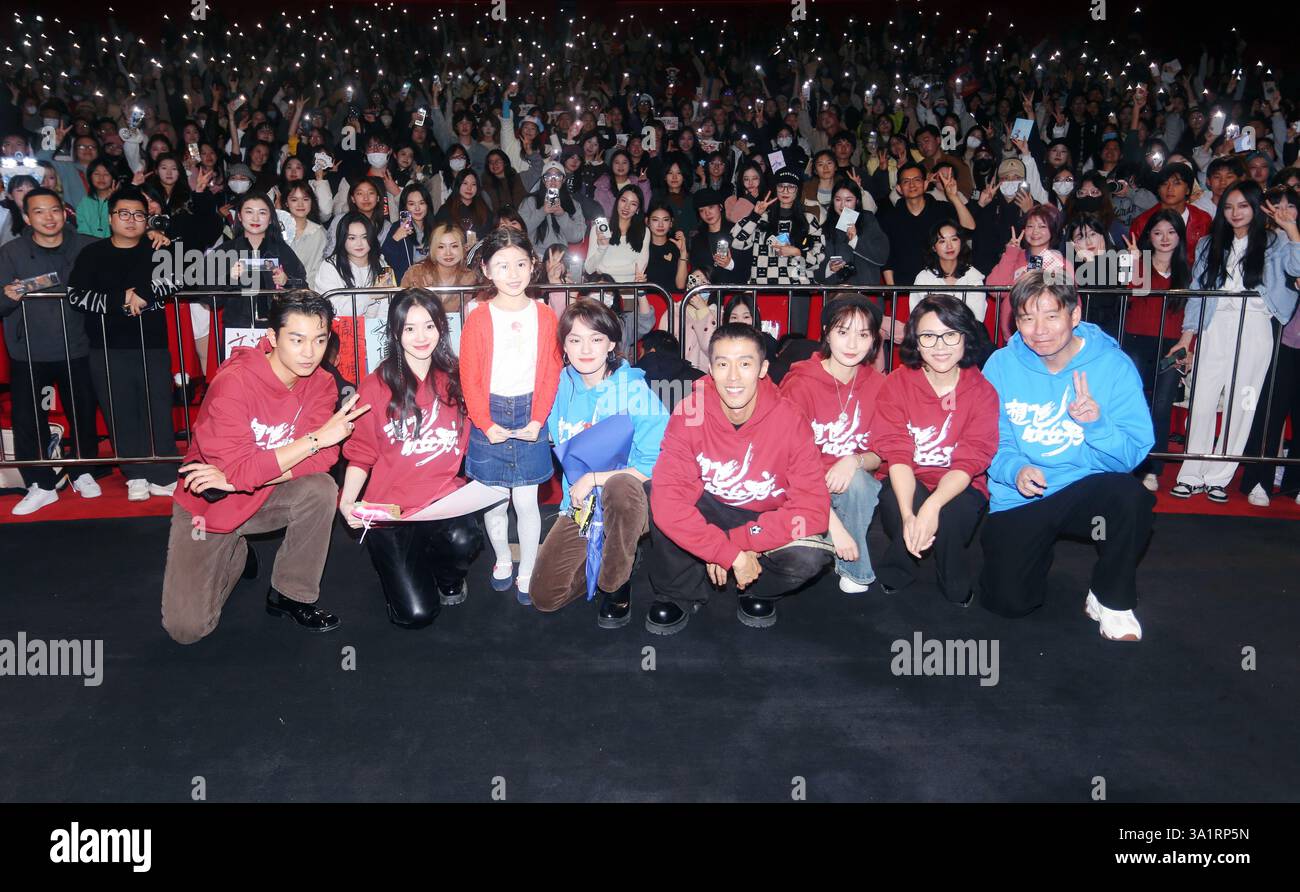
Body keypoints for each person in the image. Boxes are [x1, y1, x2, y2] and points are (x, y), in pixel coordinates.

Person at [160, 291, 371, 644]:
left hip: (263, 494)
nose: (309, 352)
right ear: (272, 338)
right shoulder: (234, 383)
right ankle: (238, 553)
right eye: (297, 339)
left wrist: (242, 478)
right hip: (209, 507)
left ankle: (291, 594)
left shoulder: (320, 383)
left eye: (319, 340)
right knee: (187, 630)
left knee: (320, 488)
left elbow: (324, 461)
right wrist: (316, 438)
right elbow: (312, 449)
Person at [979, 273, 1155, 641]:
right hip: (1022, 494)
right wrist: (1014, 469)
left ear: (1074, 315)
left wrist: (1098, 424)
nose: (1039, 329)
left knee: (1131, 497)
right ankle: (1035, 550)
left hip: (1083, 487)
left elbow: (1131, 457)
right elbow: (988, 438)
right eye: (1027, 318)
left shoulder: (1113, 365)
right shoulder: (1000, 365)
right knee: (1008, 603)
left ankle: (1112, 598)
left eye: (1051, 316)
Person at [644, 321, 832, 634]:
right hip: (710, 505)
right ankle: (678, 591)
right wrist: (727, 553)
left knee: (810, 555)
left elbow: (812, 508)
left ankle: (758, 588)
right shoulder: (690, 412)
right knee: (660, 495)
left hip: (763, 515)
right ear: (710, 368)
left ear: (763, 368)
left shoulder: (789, 417)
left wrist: (735, 546)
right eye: (722, 364)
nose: (733, 377)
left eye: (745, 364)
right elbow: (667, 501)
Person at [338, 290, 485, 627]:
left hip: (441, 503)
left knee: (465, 538)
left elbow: (483, 433)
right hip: (392, 512)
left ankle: (447, 578)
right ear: (395, 332)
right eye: (409, 328)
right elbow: (361, 452)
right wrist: (347, 501)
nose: (421, 337)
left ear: (442, 329)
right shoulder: (375, 386)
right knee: (416, 615)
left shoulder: (459, 381)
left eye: (429, 326)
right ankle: (400, 562)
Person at [531, 300, 669, 625]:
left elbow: (659, 461)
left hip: (635, 502)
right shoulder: (559, 386)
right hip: (581, 507)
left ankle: (616, 583)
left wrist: (595, 478)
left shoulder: (634, 391)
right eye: (575, 340)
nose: (585, 349)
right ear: (564, 346)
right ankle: (615, 554)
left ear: (611, 343)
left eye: (595, 339)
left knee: (620, 487)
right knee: (545, 596)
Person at [1168, 182, 1300, 502]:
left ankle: (1219, 475)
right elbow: (1198, 293)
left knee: (1242, 404)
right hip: (1215, 327)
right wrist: (1187, 336)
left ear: (1256, 208)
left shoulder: (1275, 242)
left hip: (1256, 328)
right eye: (1228, 207)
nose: (1235, 213)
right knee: (1202, 400)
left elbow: (1297, 268)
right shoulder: (1210, 244)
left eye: (1242, 206)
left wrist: (1291, 228)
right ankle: (1191, 472)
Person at [872, 295, 998, 604]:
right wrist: (909, 515)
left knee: (952, 515)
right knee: (903, 506)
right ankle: (897, 567)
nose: (939, 346)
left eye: (950, 334)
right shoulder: (897, 384)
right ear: (916, 341)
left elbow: (970, 462)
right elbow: (897, 454)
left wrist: (932, 506)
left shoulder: (982, 390)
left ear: (965, 336)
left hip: (959, 480)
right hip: (908, 476)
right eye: (928, 336)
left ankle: (951, 572)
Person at [459, 227, 562, 603]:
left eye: (520, 263)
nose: (513, 273)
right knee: (495, 500)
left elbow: (551, 371)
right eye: (502, 265)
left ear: (533, 265)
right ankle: (503, 558)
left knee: (527, 501)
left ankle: (529, 568)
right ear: (487, 270)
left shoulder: (546, 314)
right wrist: (485, 423)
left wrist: (537, 420)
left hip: (530, 409)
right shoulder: (477, 315)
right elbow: (468, 375)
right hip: (490, 412)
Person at [65, 186, 181, 502]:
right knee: (121, 413)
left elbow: (175, 280)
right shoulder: (92, 253)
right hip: (106, 346)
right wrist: (120, 301)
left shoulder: (159, 249)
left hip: (153, 345)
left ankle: (164, 474)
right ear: (111, 216)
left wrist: (144, 293)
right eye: (124, 213)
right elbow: (76, 295)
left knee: (158, 408)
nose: (131, 220)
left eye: (139, 214)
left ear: (148, 220)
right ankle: (136, 475)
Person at [0, 187, 102, 515]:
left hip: (77, 346)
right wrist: (8, 296)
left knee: (82, 413)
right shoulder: (11, 252)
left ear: (64, 212)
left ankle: (83, 471)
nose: (48, 217)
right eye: (40, 212)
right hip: (27, 350)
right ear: (28, 218)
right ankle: (40, 484)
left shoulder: (87, 245)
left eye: (54, 210)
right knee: (29, 420)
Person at [779, 296, 887, 593]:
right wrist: (837, 530)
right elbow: (787, 462)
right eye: (843, 332)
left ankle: (844, 558)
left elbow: (882, 452)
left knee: (860, 483)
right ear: (826, 332)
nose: (852, 344)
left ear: (874, 339)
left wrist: (853, 460)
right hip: (802, 481)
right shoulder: (800, 384)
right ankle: (850, 556)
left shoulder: (878, 386)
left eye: (863, 334)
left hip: (852, 485)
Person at [1122, 210, 1192, 491]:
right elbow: (1131, 291)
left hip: (1173, 343)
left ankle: (1153, 466)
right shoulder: (1138, 263)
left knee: (1162, 406)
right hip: (1137, 340)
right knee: (1134, 403)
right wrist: (1136, 262)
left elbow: (1193, 312)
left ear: (1180, 236)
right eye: (1158, 232)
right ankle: (1130, 461)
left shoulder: (1189, 268)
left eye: (1171, 232)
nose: (1165, 238)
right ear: (1148, 236)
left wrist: (1188, 346)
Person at [314, 212, 396, 319]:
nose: (359, 244)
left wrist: (374, 330)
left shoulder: (381, 264)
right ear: (342, 239)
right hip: (341, 332)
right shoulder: (330, 267)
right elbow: (332, 309)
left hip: (374, 331)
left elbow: (387, 308)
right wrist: (370, 295)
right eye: (352, 238)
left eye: (364, 237)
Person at [912, 222, 987, 323]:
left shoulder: (973, 276)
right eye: (942, 241)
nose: (949, 246)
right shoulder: (924, 278)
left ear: (961, 243)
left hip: (966, 335)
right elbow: (917, 318)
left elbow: (977, 318)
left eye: (954, 239)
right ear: (934, 247)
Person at [635, 328, 705, 411]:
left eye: (640, 354)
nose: (638, 358)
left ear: (651, 352)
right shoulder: (701, 380)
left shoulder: (631, 378)